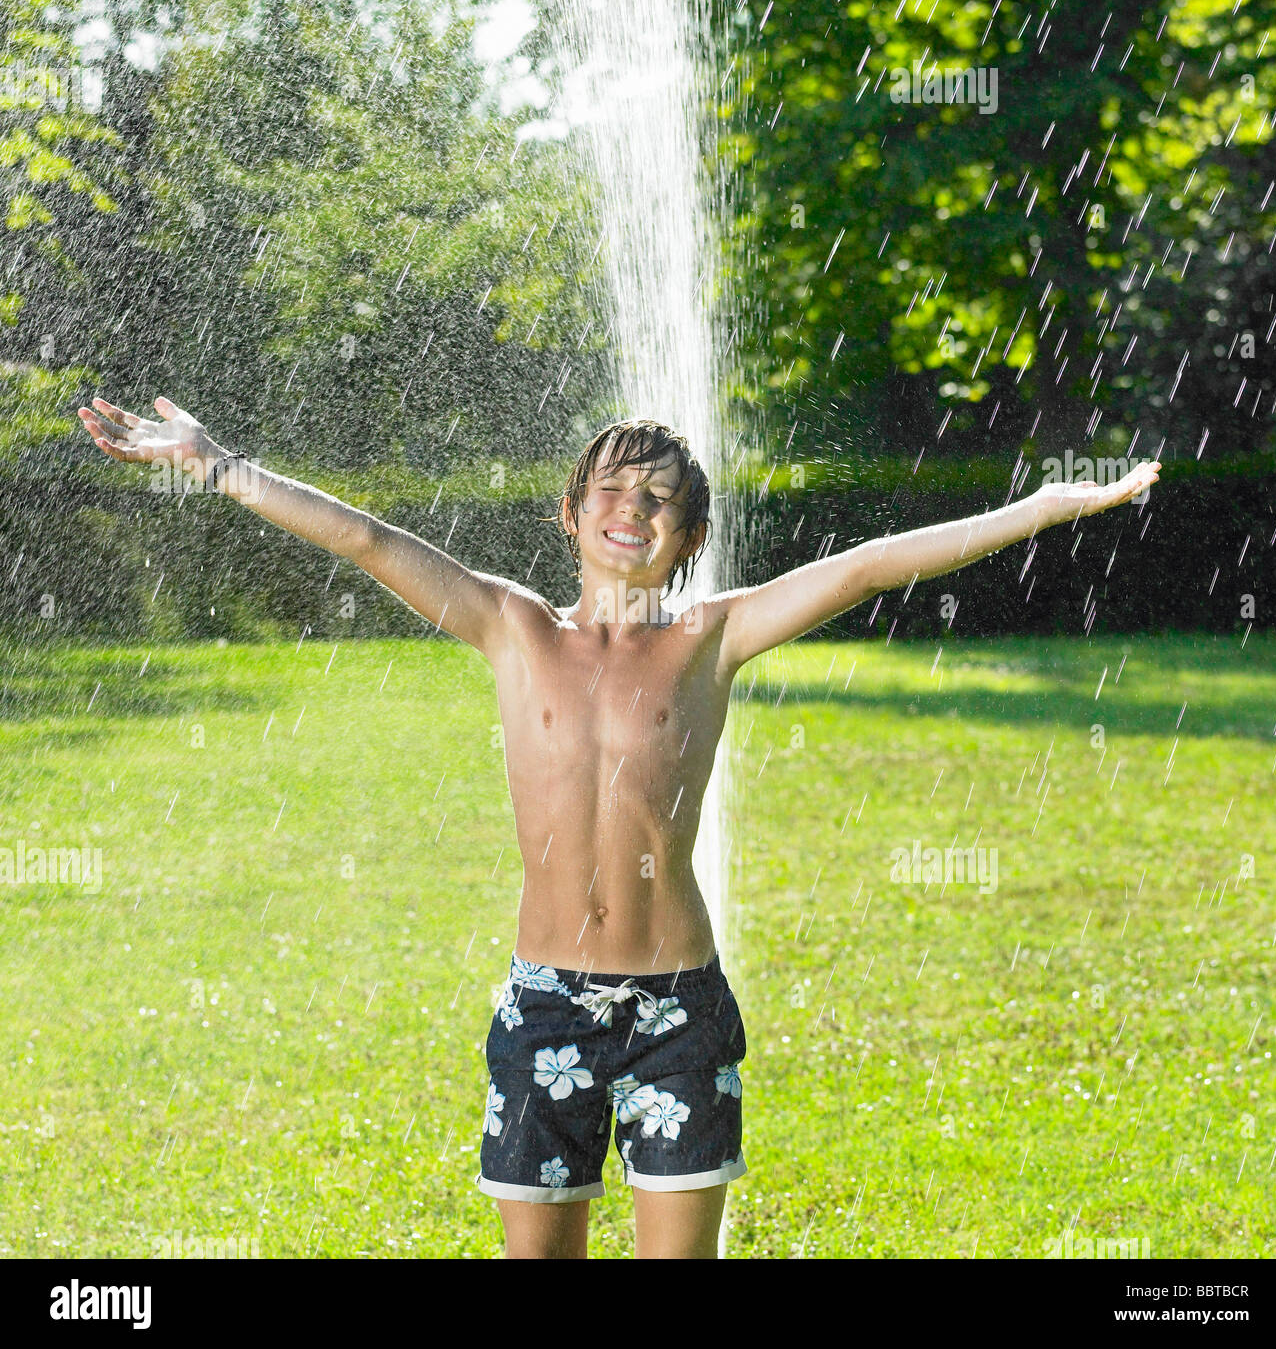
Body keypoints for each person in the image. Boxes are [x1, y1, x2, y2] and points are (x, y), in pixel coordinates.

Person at [78, 395, 1160, 1257]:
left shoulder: (712, 638)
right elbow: (365, 535)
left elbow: (876, 561)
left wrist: (1047, 505)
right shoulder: (511, 627)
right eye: (610, 488)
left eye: (658, 497)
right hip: (544, 1004)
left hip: (679, 1012)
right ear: (570, 512)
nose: (630, 507)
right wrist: (216, 463)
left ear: (688, 534)